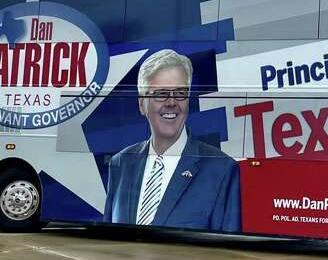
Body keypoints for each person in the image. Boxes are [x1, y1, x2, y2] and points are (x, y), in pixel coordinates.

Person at [103, 49, 241, 231]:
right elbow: (106, 240)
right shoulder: (121, 163)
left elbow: (228, 254)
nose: (171, 102)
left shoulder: (222, 170)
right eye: (161, 94)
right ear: (141, 104)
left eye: (180, 93)